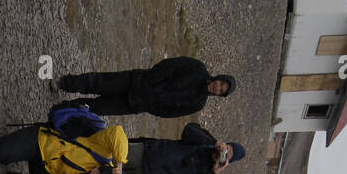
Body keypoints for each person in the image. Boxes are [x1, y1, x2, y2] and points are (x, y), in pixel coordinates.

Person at [0, 122, 128, 174]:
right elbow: (118, 133)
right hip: (43, 143)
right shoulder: (103, 152)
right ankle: (23, 150)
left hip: (46, 171)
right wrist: (120, 162)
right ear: (109, 169)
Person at [54, 57, 236, 118]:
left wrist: (150, 106)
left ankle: (62, 110)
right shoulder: (198, 68)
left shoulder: (198, 103)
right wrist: (150, 81)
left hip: (137, 104)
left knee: (95, 108)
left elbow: (168, 113)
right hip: (137, 81)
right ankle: (64, 83)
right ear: (219, 78)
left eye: (221, 91)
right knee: (97, 83)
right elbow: (169, 65)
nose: (217, 88)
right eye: (220, 84)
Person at [122, 122, 244, 174]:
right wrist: (213, 141)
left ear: (228, 162)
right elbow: (189, 129)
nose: (225, 153)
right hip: (148, 153)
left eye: (228, 155)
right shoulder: (207, 141)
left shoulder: (208, 172)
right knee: (109, 156)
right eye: (227, 148)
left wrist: (213, 173)